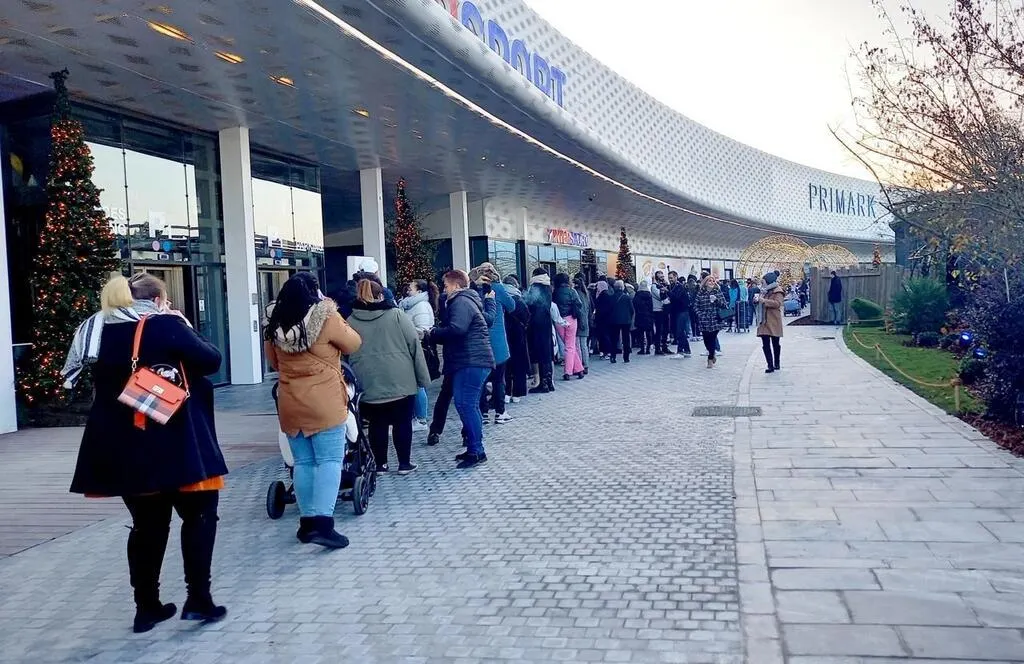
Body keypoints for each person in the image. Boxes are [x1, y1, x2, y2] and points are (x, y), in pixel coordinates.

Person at [70, 273, 229, 632]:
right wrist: (178, 321)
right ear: (159, 299)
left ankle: (147, 607)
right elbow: (211, 360)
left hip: (126, 448)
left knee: (147, 526)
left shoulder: (98, 329)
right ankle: (198, 599)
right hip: (180, 443)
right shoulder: (165, 325)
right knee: (200, 516)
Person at [266, 272, 362, 550]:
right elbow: (354, 342)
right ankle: (323, 524)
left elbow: (274, 361)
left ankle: (307, 523)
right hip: (325, 401)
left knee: (304, 462)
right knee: (330, 460)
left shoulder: (274, 324)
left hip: (290, 401)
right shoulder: (326, 318)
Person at [348, 279, 431, 474]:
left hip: (367, 381)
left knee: (377, 424)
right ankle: (404, 463)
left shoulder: (349, 321)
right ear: (381, 295)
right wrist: (422, 378)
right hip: (400, 379)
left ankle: (380, 465)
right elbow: (414, 346)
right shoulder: (396, 315)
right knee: (402, 422)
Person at [424, 270, 495, 468]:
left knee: (466, 405)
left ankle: (476, 451)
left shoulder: (461, 302)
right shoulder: (467, 300)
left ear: (455, 285)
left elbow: (457, 329)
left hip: (470, 361)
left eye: (446, 286)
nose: (444, 289)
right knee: (469, 405)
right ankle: (475, 448)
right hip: (473, 360)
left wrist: (433, 333)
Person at [470, 263, 514, 423]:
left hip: (480, 340)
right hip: (498, 341)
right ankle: (500, 412)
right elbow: (512, 306)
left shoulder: (473, 291)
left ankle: (483, 413)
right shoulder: (498, 289)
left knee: (481, 380)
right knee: (499, 379)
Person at [399, 279, 436, 432]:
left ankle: (421, 419)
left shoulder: (420, 306)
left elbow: (422, 330)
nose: (408, 289)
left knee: (418, 384)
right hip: (411, 347)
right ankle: (418, 417)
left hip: (418, 348)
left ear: (419, 291)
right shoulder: (410, 304)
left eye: (411, 288)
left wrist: (408, 335)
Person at [525, 268, 556, 393]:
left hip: (536, 325)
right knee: (547, 353)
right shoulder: (548, 288)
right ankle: (549, 381)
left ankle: (542, 384)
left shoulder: (535, 287)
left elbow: (529, 304)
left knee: (538, 353)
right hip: (546, 324)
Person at [502, 275, 532, 402]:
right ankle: (518, 393)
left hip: (504, 335)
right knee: (519, 364)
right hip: (519, 335)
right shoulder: (520, 301)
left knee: (506, 364)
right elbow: (527, 317)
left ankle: (507, 392)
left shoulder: (501, 299)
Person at [552, 272, 585, 379]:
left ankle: (578, 370)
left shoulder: (554, 293)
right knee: (570, 346)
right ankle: (570, 371)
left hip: (558, 320)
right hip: (571, 319)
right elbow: (579, 304)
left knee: (568, 346)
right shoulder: (572, 291)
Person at [695, 274, 726, 368]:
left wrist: (716, 300)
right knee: (706, 339)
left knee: (712, 338)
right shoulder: (700, 293)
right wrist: (700, 314)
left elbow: (724, 305)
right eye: (709, 281)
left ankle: (710, 358)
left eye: (713, 281)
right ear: (705, 283)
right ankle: (712, 353)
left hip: (715, 319)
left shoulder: (717, 292)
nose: (712, 282)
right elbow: (696, 306)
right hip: (704, 319)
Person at [757, 272, 786, 373]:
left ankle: (776, 363)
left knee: (775, 343)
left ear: (768, 281)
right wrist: (757, 300)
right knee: (765, 344)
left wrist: (764, 301)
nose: (762, 284)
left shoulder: (778, 291)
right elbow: (760, 301)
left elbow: (778, 304)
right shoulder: (764, 291)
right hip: (764, 321)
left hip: (773, 320)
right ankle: (770, 365)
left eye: (763, 282)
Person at [608, 280, 634, 364]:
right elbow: (631, 309)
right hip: (626, 321)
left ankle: (613, 356)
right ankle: (626, 357)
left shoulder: (611, 297)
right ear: (622, 287)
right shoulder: (626, 297)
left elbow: (609, 310)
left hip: (614, 321)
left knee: (614, 339)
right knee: (626, 339)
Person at [668, 273, 692, 358]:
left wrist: (668, 292)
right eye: (669, 278)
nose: (670, 279)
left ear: (676, 277)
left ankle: (680, 351)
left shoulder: (679, 287)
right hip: (676, 312)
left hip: (682, 311)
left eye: (671, 278)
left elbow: (676, 297)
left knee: (679, 331)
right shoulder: (672, 287)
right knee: (681, 332)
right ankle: (687, 350)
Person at [572, 274, 592, 374]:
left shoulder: (576, 294)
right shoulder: (586, 294)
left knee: (578, 345)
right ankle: (586, 365)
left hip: (579, 322)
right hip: (586, 322)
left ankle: (580, 366)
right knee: (584, 345)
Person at [633, 281, 655, 354]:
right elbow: (651, 306)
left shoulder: (637, 295)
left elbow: (635, 304)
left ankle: (642, 349)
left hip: (640, 316)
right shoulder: (649, 295)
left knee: (641, 334)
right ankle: (648, 348)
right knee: (648, 333)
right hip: (648, 316)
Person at [651, 271, 670, 355]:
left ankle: (665, 346)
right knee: (659, 330)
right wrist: (663, 290)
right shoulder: (654, 286)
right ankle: (657, 348)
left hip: (665, 310)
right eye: (660, 277)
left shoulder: (663, 285)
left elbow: (669, 295)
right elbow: (659, 296)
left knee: (666, 329)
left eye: (662, 276)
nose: (662, 278)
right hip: (657, 310)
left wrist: (666, 287)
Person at [593, 279, 613, 359]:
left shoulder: (599, 296)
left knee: (602, 335)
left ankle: (603, 351)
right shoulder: (609, 295)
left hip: (600, 319)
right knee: (607, 335)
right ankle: (608, 351)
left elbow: (597, 307)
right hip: (608, 319)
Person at [685, 274, 701, 340]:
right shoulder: (696, 287)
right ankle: (697, 334)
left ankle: (694, 335)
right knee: (697, 321)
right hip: (696, 306)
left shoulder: (687, 287)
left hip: (690, 306)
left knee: (693, 321)